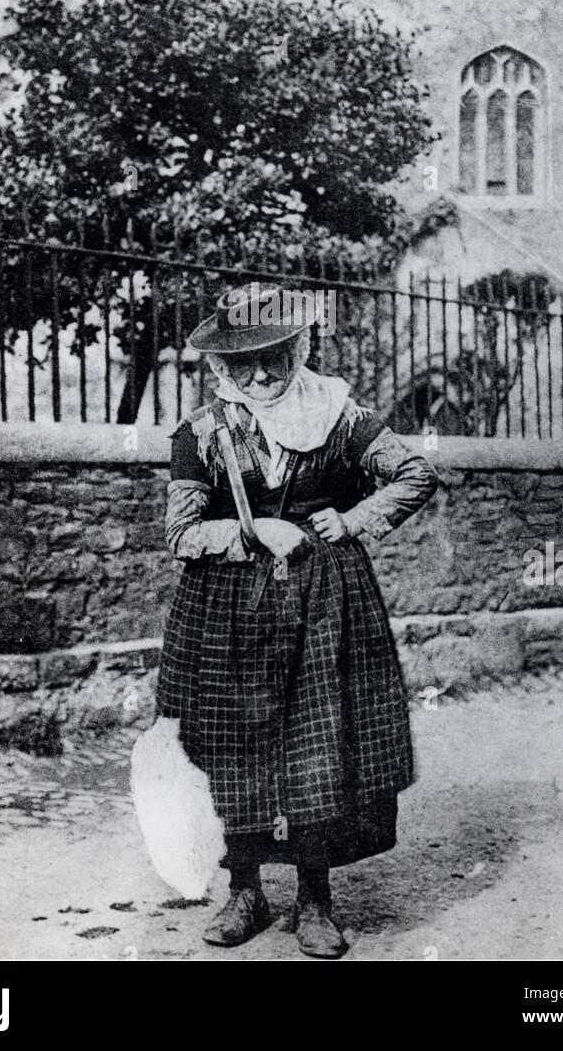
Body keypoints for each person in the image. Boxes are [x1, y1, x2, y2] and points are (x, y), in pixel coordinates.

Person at [157, 282, 439, 958]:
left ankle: (315, 897)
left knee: (317, 748)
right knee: (229, 748)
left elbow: (413, 474)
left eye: (275, 358)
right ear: (220, 367)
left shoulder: (340, 417)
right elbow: (180, 534)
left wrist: (349, 520)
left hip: (325, 604)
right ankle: (244, 891)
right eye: (241, 363)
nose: (259, 376)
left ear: (300, 349)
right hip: (225, 610)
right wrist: (253, 535)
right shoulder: (201, 432)